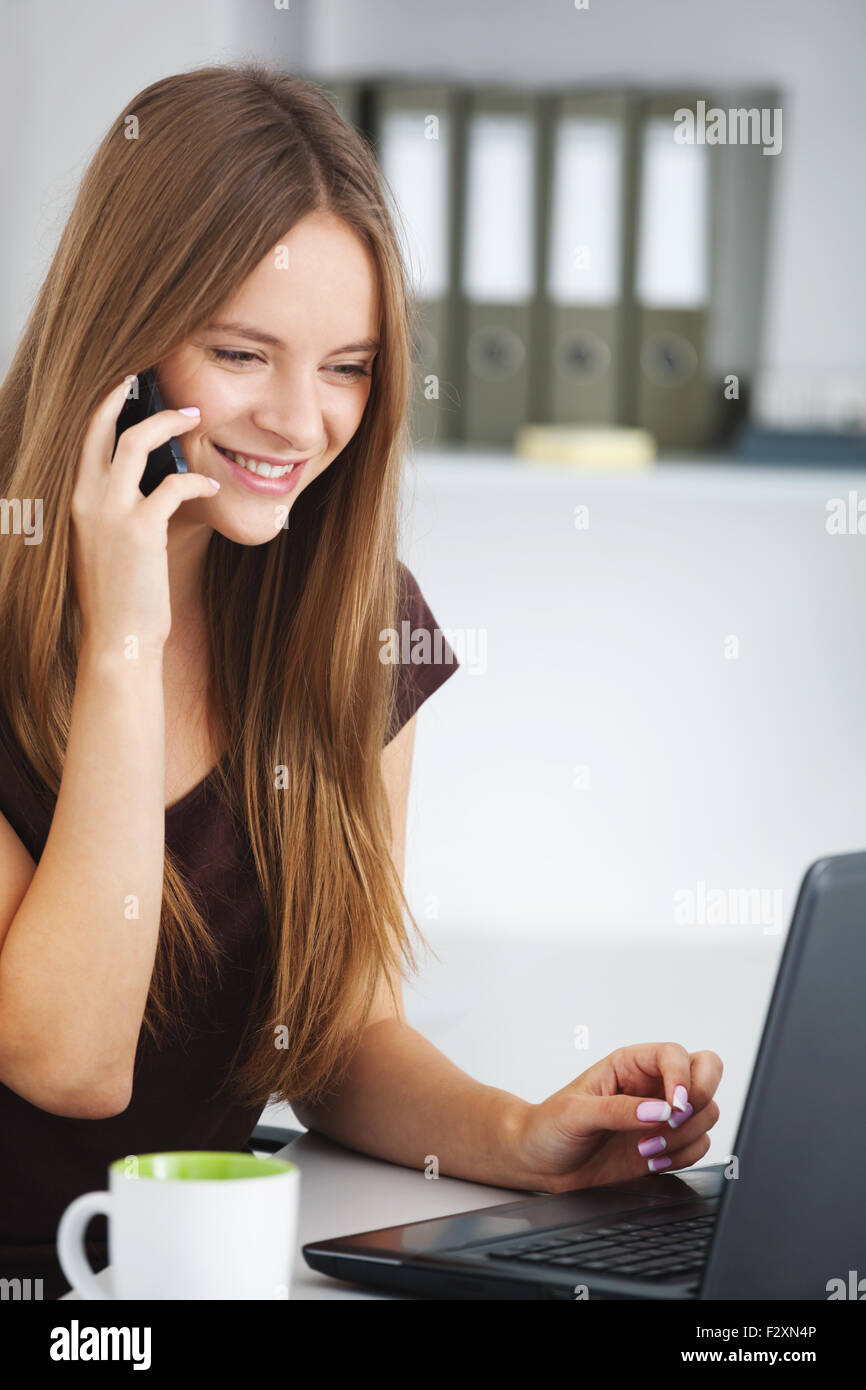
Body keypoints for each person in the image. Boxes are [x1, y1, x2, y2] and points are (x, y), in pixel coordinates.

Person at [0, 61, 721, 1299]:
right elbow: (70, 1059)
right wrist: (123, 638)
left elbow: (333, 1033)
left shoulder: (353, 618)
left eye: (346, 366)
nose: (299, 422)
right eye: (242, 352)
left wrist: (516, 1139)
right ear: (122, 339)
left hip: (195, 1277)